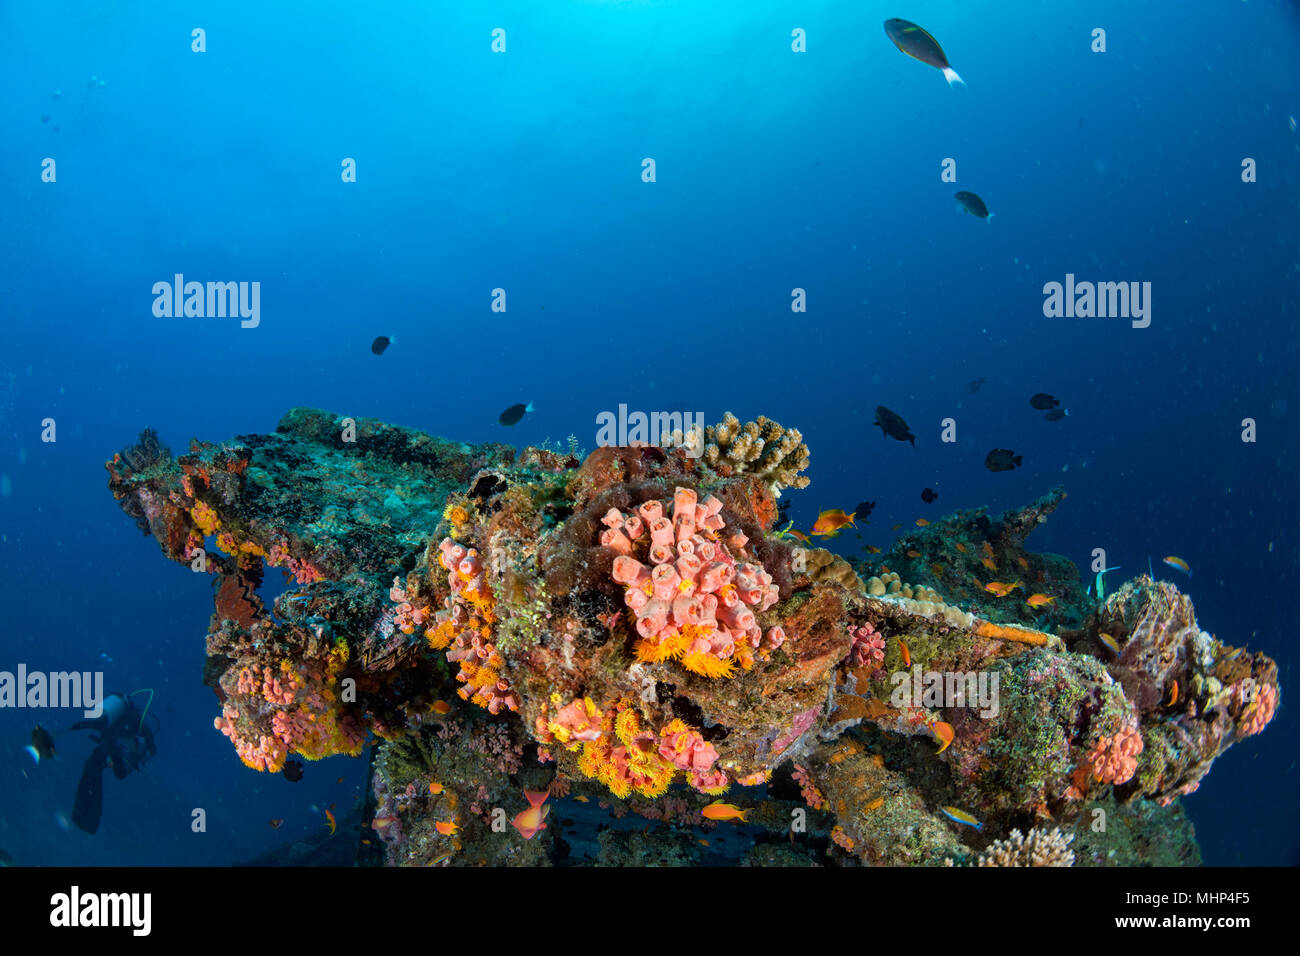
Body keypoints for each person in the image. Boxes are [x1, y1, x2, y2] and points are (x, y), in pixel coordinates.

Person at [68, 691, 157, 834]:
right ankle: (87, 821)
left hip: (110, 744)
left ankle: (83, 818)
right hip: (114, 746)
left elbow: (91, 721)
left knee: (92, 766)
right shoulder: (135, 721)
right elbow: (150, 748)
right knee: (104, 769)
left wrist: (81, 725)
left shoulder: (115, 718)